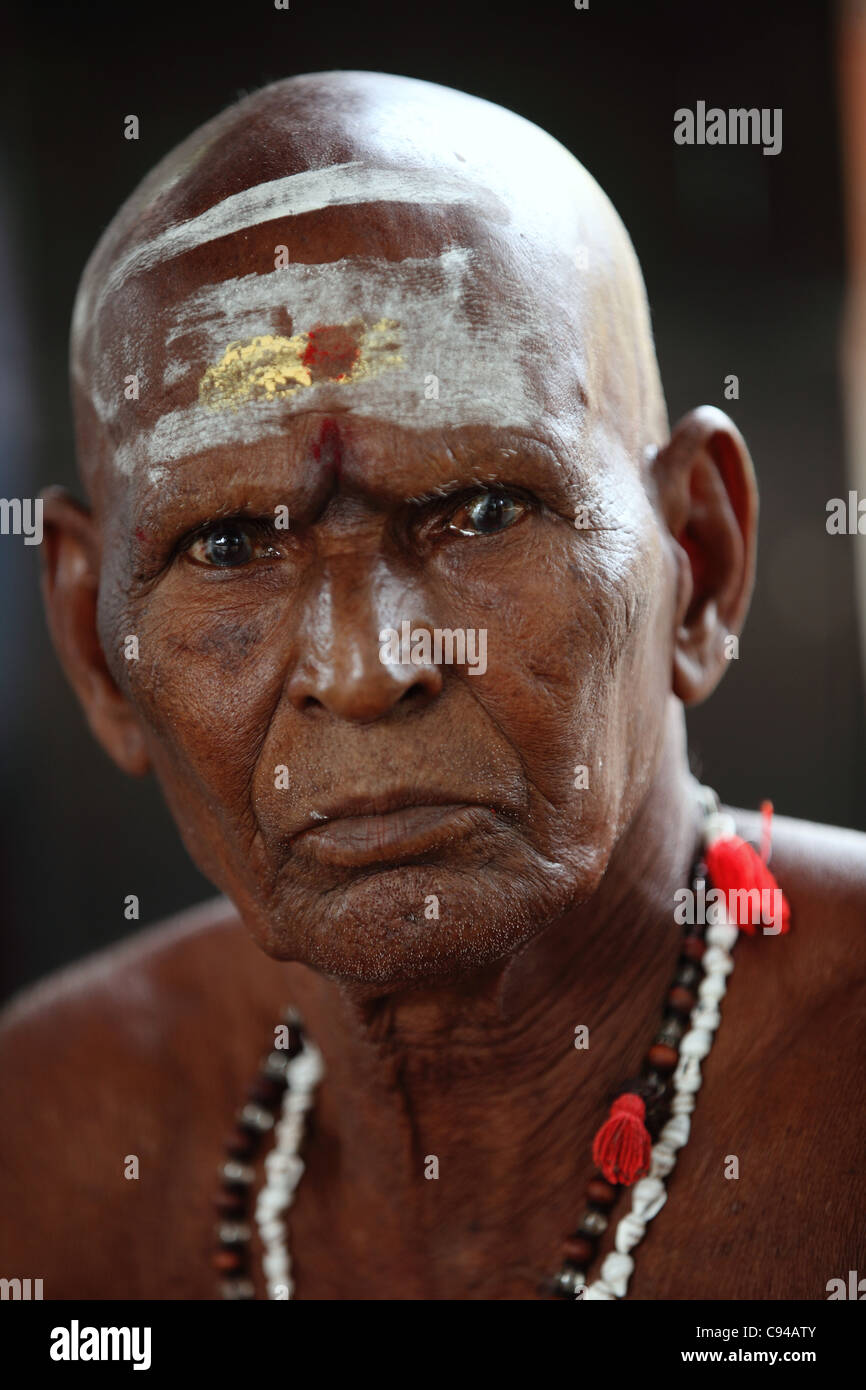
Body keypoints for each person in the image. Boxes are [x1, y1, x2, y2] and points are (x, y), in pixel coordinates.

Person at [1, 70, 864, 1302]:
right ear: (95, 651)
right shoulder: (51, 1141)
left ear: (701, 560)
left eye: (482, 510)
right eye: (231, 546)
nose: (364, 669)